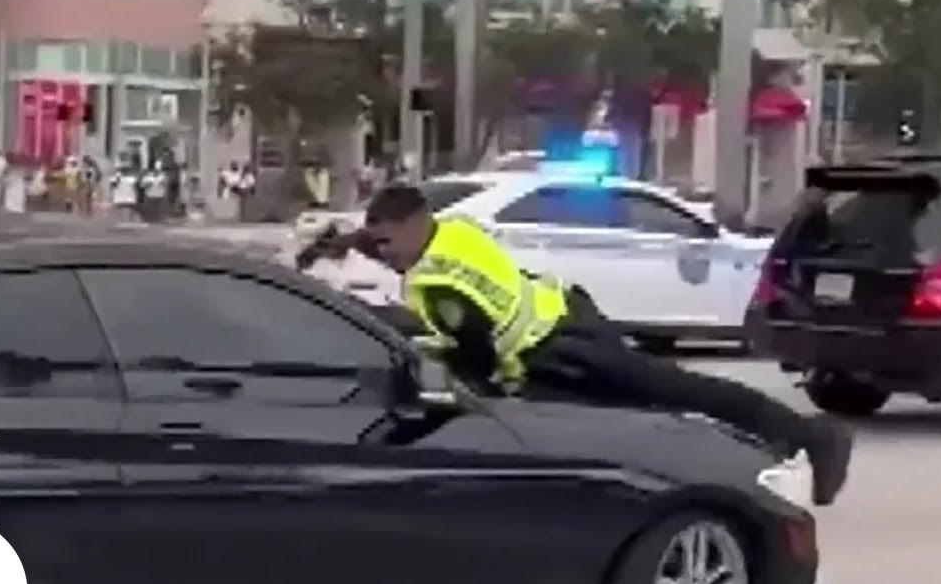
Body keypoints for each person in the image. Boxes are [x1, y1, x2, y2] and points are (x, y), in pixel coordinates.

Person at [295, 184, 852, 506]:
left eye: (389, 243)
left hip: (562, 352)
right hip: (568, 317)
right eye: (380, 244)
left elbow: (479, 359)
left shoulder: (438, 285)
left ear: (413, 225)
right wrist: (340, 244)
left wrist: (470, 393)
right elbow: (380, 235)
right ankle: (772, 454)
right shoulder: (449, 229)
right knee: (659, 411)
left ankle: (810, 439)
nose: (385, 254)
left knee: (665, 405)